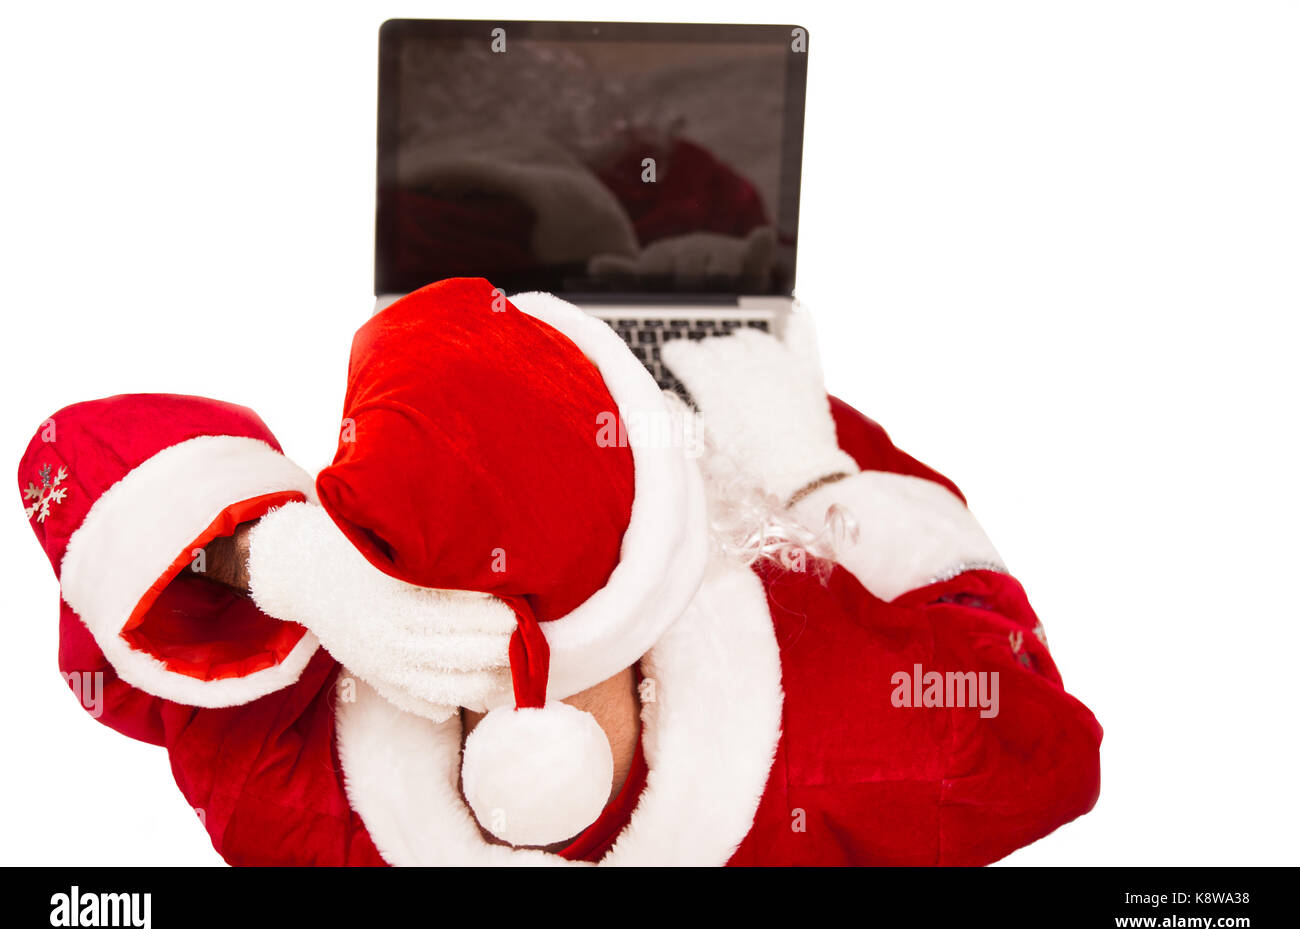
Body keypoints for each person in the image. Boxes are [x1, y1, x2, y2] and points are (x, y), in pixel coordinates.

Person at [18, 277, 1101, 865]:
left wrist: (265, 549)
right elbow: (1030, 714)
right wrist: (823, 473)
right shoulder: (866, 746)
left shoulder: (287, 776)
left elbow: (77, 468)